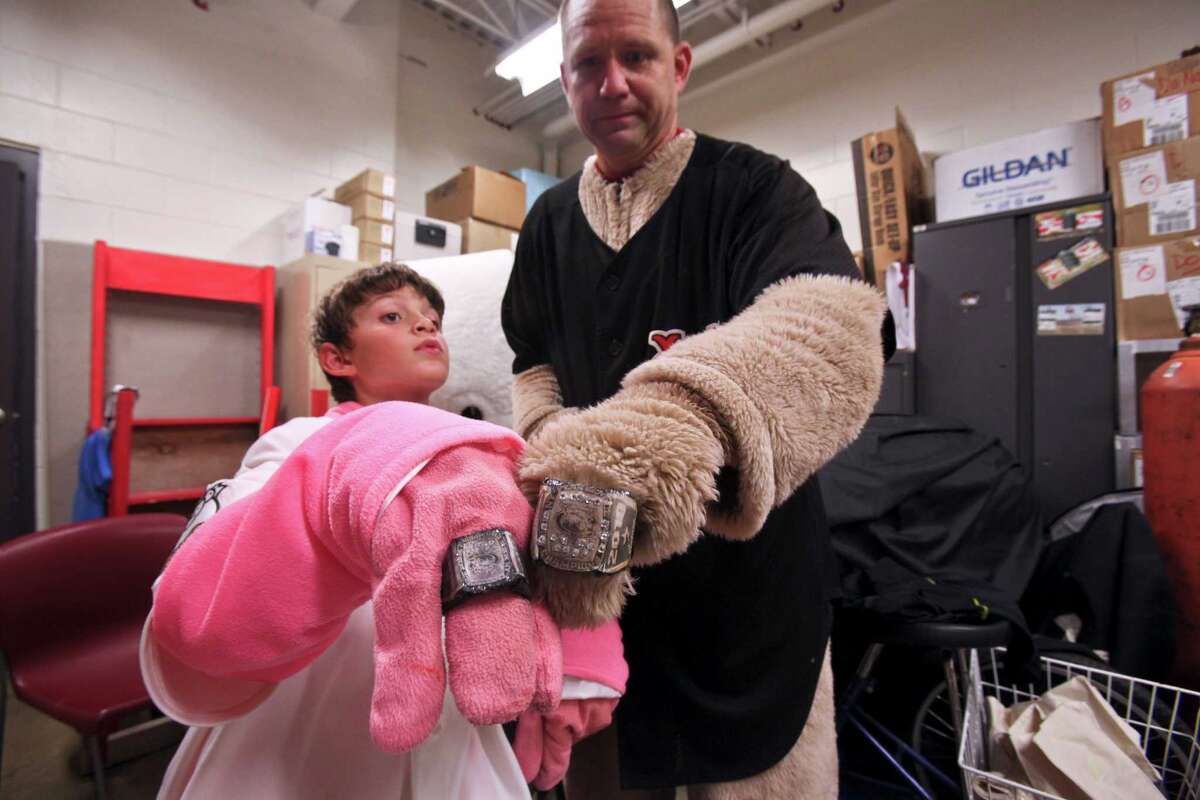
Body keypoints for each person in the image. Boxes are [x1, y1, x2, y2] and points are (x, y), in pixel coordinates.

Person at [500, 0, 889, 796]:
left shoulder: (757, 189)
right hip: (601, 622)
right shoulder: (544, 225)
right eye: (586, 64)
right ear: (564, 78)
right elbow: (530, 357)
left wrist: (649, 447)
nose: (611, 85)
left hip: (749, 619)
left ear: (678, 66)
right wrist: (551, 437)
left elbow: (829, 331)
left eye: (636, 58)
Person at [141, 263, 627, 799]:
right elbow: (196, 602)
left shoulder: (482, 448)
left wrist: (587, 650)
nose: (426, 327)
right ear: (338, 358)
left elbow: (547, 548)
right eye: (393, 316)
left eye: (432, 319)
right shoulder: (296, 443)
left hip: (456, 732)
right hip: (299, 729)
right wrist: (327, 495)